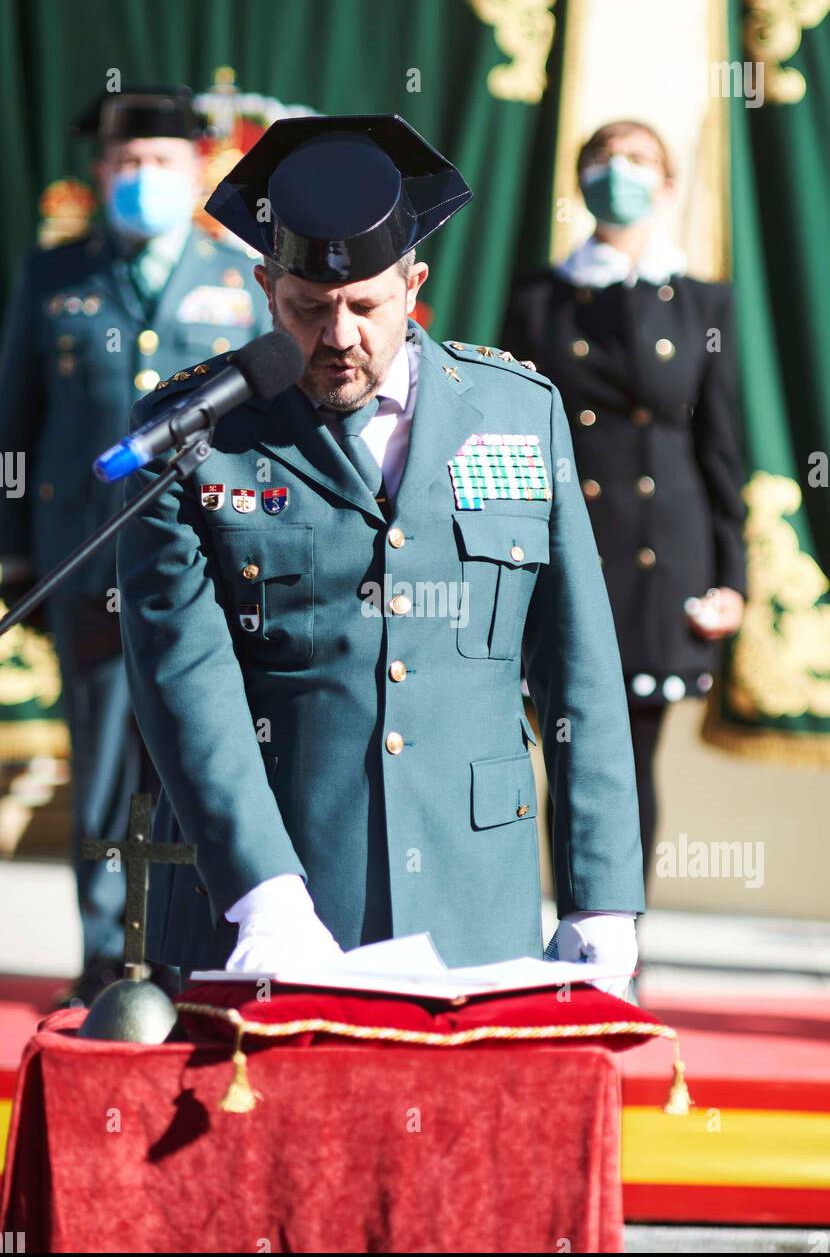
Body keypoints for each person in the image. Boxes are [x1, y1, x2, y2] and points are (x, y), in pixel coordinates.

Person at [116, 113, 645, 993]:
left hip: (474, 907)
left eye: (365, 307)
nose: (338, 337)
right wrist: (264, 893)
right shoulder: (196, 433)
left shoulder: (517, 411)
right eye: (308, 309)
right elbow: (183, 679)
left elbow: (579, 669)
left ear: (414, 286)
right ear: (263, 287)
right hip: (270, 904)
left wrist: (601, 897)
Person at [0, 87, 271, 1004]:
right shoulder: (54, 275)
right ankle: (106, 956)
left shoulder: (242, 279)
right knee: (107, 763)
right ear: (99, 172)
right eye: (126, 164)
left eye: (160, 163)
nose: (141, 179)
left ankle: (197, 949)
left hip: (214, 564)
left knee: (211, 753)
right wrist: (12, 552)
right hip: (88, 556)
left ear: (196, 170)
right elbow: (15, 421)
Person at [502, 120, 746, 897]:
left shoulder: (705, 303)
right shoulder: (541, 298)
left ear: (668, 186)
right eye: (603, 159)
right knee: (566, 750)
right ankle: (566, 920)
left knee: (629, 757)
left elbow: (723, 451)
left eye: (640, 159)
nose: (620, 173)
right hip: (569, 553)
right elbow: (509, 435)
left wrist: (732, 579)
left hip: (662, 564)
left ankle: (615, 940)